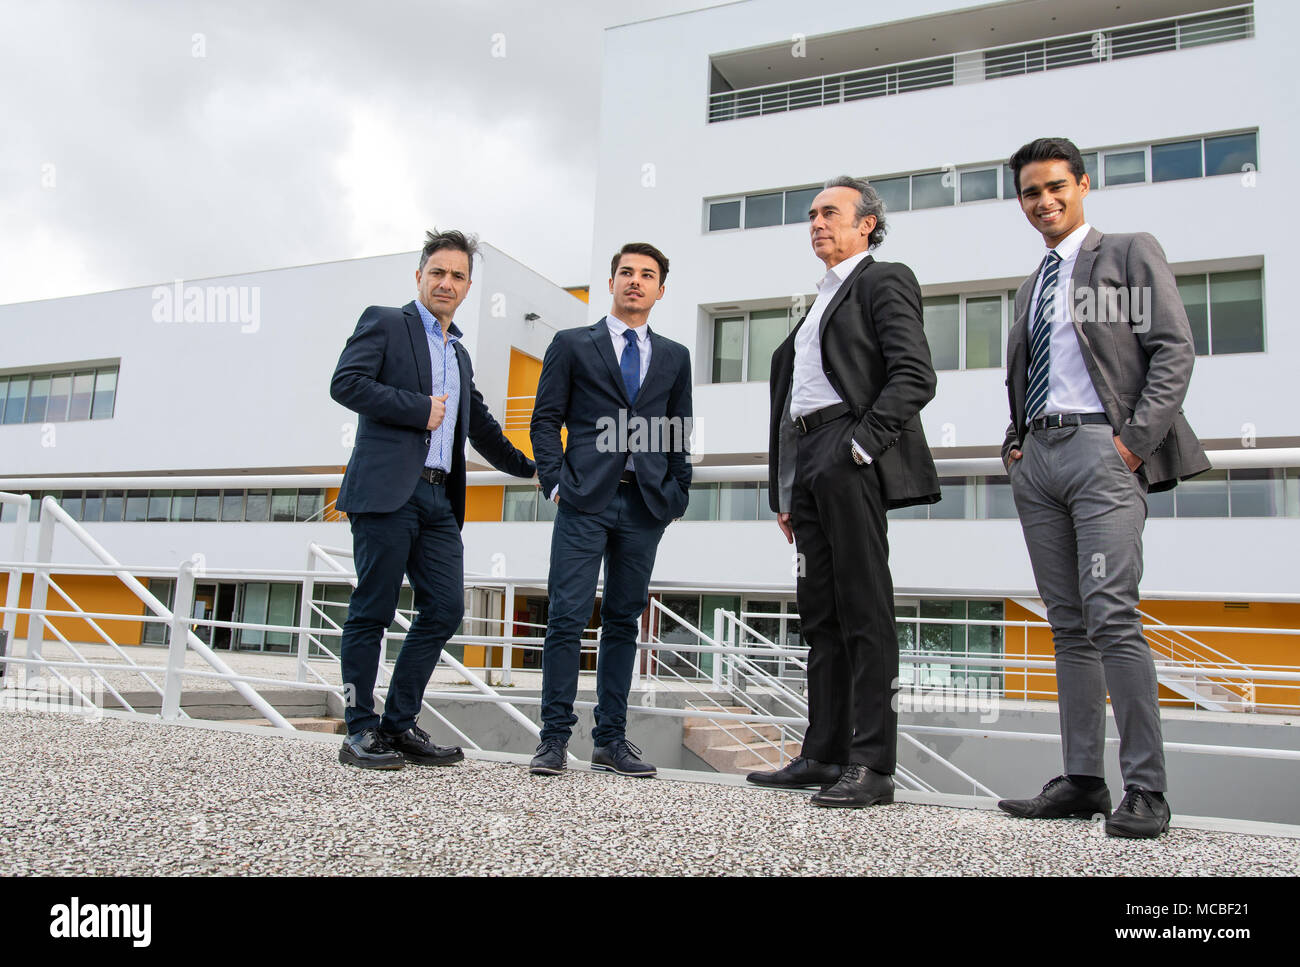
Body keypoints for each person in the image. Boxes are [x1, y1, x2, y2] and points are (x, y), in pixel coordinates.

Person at [995, 138, 1209, 838]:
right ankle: (1083, 779)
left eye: (1056, 186)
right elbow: (1026, 373)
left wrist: (1130, 444)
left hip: (1101, 450)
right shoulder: (1030, 284)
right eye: (1031, 192)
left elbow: (1173, 349)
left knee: (1111, 613)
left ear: (1082, 184)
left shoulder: (1124, 252)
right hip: (1040, 460)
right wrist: (1016, 446)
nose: (1044, 201)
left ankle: (1145, 787)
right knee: (1067, 625)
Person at [751, 176, 939, 807]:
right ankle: (823, 753)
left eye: (830, 212)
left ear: (867, 224)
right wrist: (787, 488)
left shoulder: (883, 281)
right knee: (820, 617)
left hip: (846, 451)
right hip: (808, 464)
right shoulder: (817, 304)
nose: (816, 223)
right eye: (810, 215)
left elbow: (915, 374)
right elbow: (792, 402)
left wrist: (860, 446)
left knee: (864, 610)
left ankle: (872, 764)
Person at [330, 229, 535, 769]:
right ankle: (359, 729)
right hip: (386, 493)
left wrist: (536, 471)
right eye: (437, 272)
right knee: (371, 611)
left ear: (468, 287)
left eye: (458, 276)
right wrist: (418, 409)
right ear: (419, 276)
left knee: (445, 608)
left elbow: (482, 427)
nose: (447, 282)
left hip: (441, 500)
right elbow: (345, 384)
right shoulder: (385, 322)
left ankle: (398, 724)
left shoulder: (459, 354)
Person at [527, 242, 692, 778]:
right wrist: (554, 483)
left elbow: (678, 430)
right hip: (583, 500)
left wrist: (676, 492)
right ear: (612, 282)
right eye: (626, 273)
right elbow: (545, 420)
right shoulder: (573, 344)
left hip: (644, 505)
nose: (636, 282)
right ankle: (553, 740)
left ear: (661, 289)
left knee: (623, 621)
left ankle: (611, 741)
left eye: (647, 275)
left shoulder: (674, 356)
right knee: (566, 617)